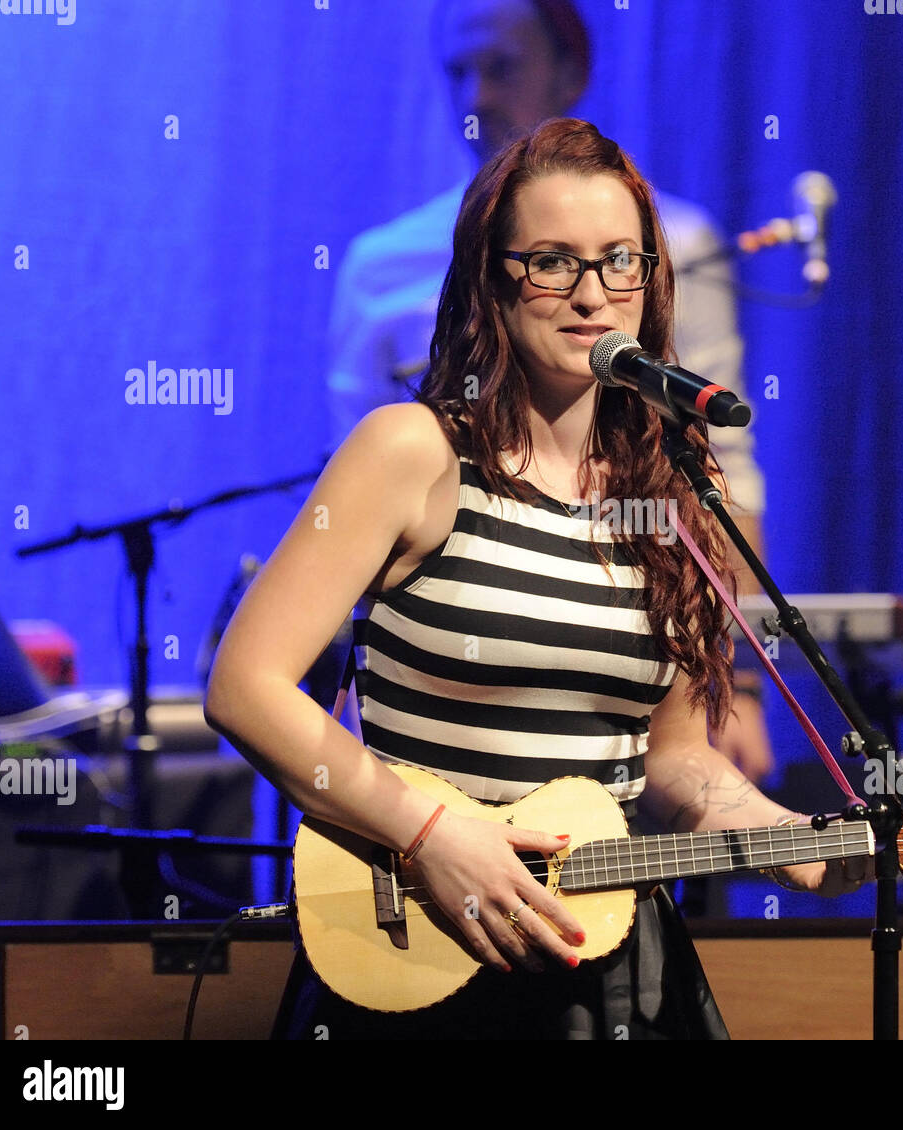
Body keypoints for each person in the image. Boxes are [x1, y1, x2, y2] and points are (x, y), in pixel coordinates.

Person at [205, 119, 872, 1039]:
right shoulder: (413, 451)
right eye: (553, 262)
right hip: (419, 955)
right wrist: (429, 834)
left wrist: (799, 848)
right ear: (492, 279)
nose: (592, 295)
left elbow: (673, 759)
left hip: (607, 967)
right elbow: (245, 688)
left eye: (620, 263)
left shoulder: (681, 491)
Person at [327, 0, 775, 783]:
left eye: (502, 66)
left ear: (572, 71)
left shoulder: (651, 489)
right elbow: (349, 505)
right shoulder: (380, 267)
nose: (475, 97)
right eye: (457, 71)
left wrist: (736, 688)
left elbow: (724, 469)